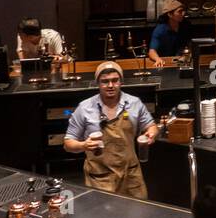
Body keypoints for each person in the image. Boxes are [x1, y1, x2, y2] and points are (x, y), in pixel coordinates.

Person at [63, 61, 158, 198]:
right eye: (105, 81)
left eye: (115, 80)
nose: (110, 86)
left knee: (138, 216)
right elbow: (68, 143)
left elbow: (151, 125)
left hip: (131, 176)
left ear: (121, 82)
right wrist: (84, 145)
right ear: (98, 83)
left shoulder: (134, 103)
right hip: (100, 179)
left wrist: (151, 133)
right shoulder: (85, 108)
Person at [147, 0, 191, 67]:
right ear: (170, 14)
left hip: (181, 62)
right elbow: (152, 51)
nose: (183, 13)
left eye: (183, 11)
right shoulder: (160, 30)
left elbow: (189, 46)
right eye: (180, 11)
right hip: (165, 63)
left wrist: (186, 56)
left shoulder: (185, 26)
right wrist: (157, 59)